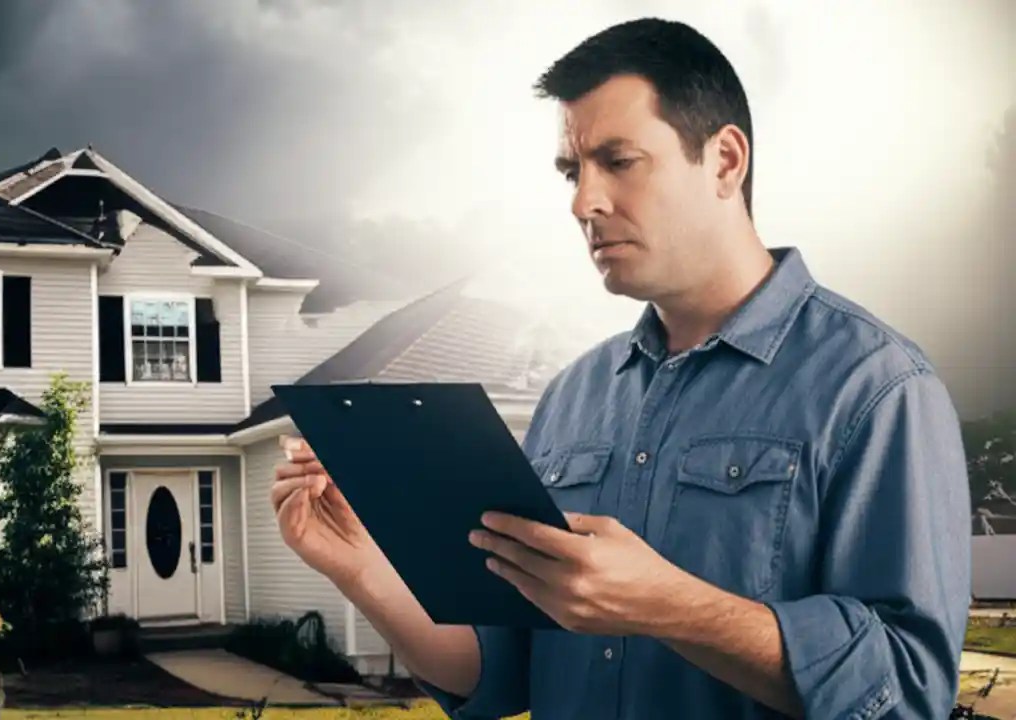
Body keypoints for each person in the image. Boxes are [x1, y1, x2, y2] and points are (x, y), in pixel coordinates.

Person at [272, 16, 972, 719]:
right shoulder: (572, 397)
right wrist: (362, 568)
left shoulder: (878, 388)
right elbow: (503, 670)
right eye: (574, 171)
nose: (584, 202)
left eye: (619, 161)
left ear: (726, 160)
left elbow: (909, 692)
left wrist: (670, 607)